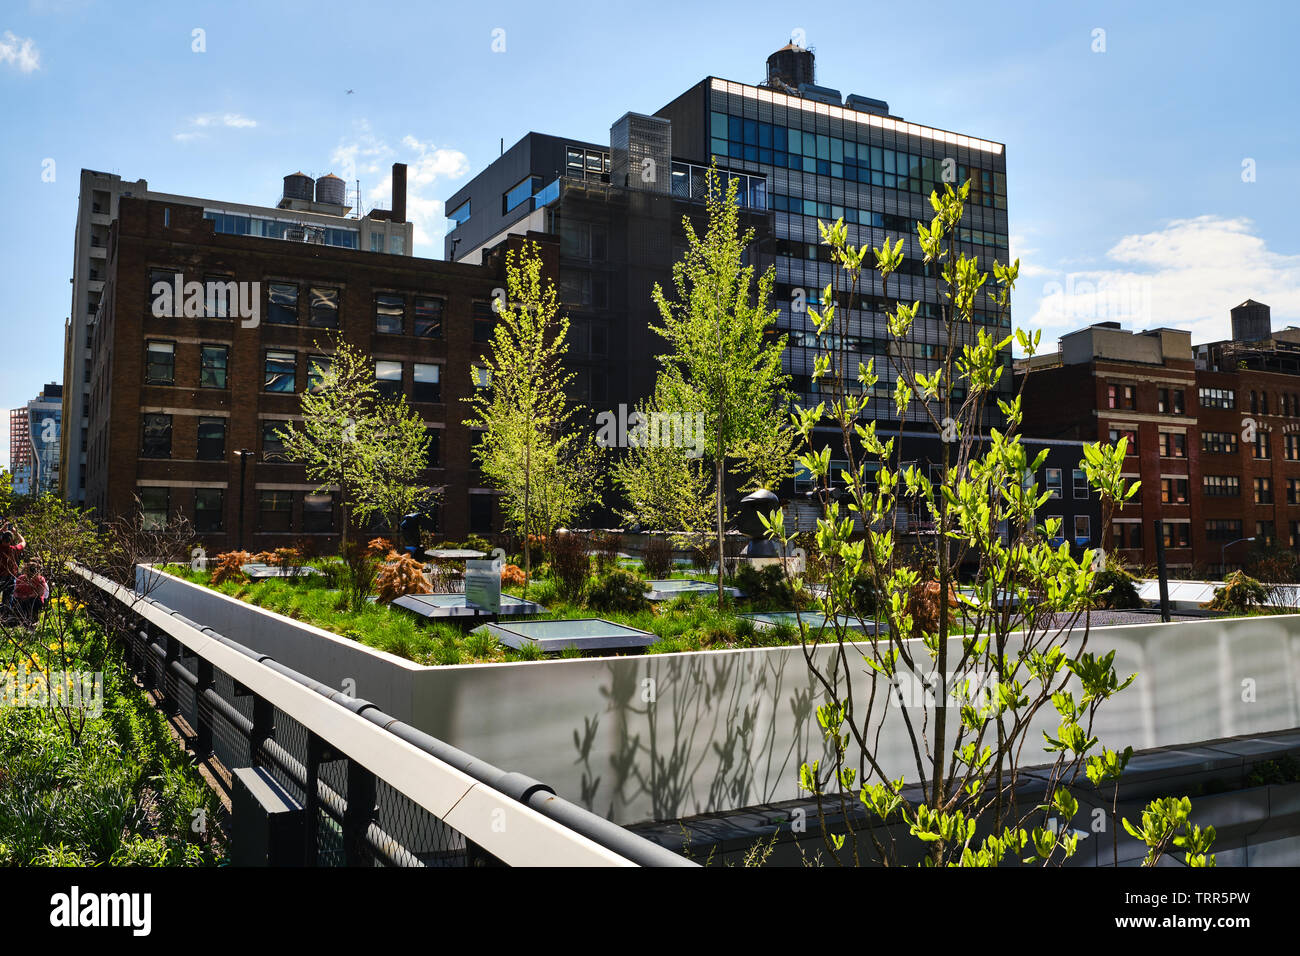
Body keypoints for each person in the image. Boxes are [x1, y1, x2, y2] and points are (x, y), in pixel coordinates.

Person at [13, 559, 48, 625]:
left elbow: (40, 593)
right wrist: (20, 596)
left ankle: (33, 620)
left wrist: (27, 596)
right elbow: (15, 591)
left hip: (33, 600)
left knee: (32, 601)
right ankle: (18, 620)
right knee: (16, 601)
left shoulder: (40, 579)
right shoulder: (20, 578)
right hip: (21, 599)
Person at [0, 519, 25, 610]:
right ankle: (4, 617)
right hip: (9, 577)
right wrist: (16, 532)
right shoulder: (14, 549)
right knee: (7, 599)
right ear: (11, 540)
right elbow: (23, 542)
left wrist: (2, 529)